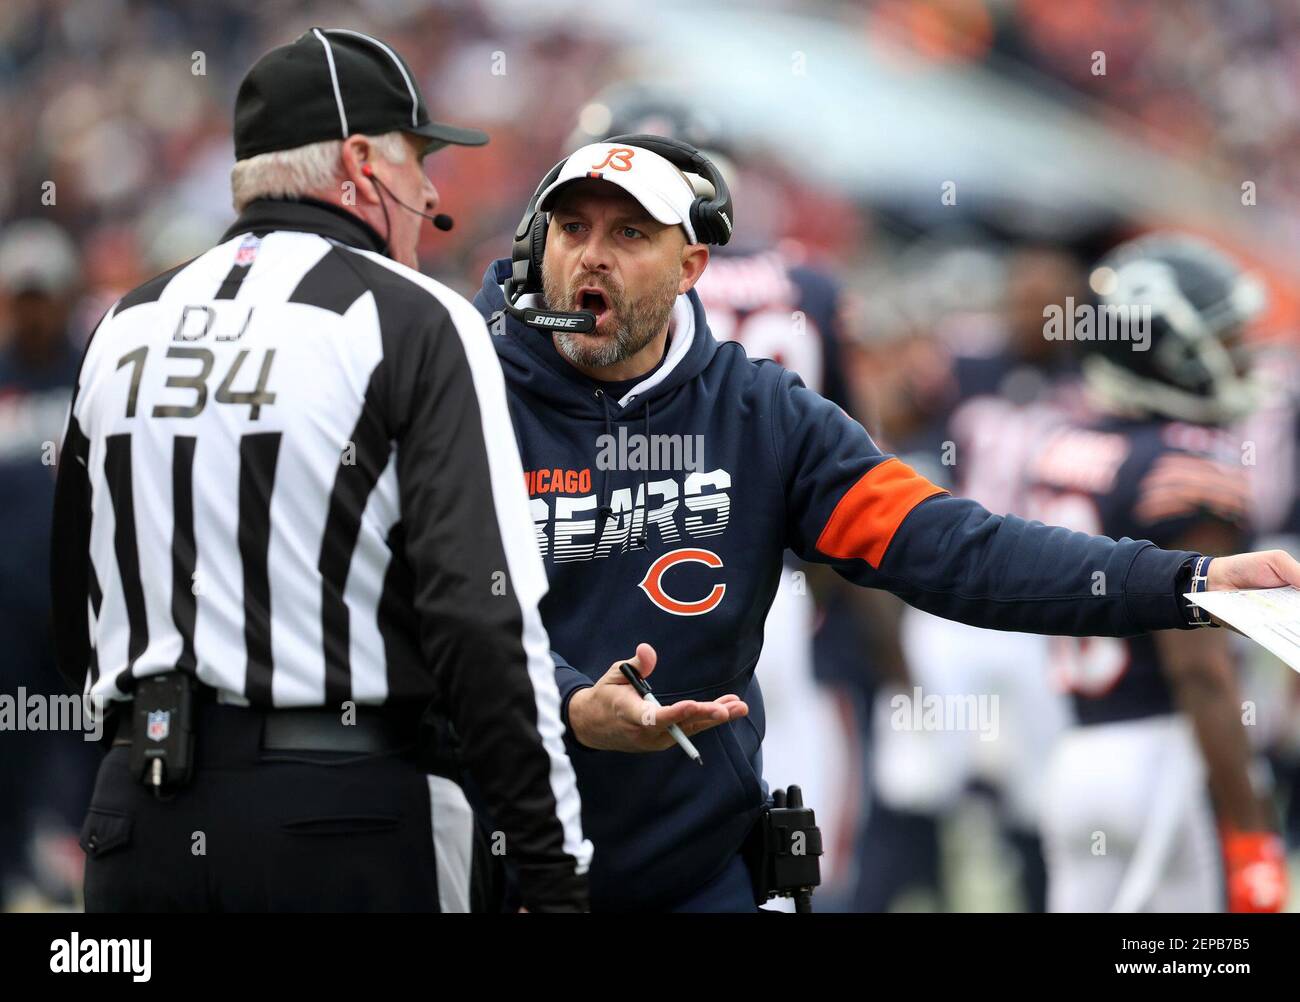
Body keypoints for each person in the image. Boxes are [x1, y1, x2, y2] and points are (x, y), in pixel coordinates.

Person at [473, 135, 1300, 912]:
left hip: (694, 875)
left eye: (628, 233)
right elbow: (422, 624)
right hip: (497, 865)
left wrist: (1186, 581)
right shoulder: (464, 391)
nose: (590, 254)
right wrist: (573, 705)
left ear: (692, 264)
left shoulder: (759, 414)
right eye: (571, 227)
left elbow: (957, 549)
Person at [51, 27, 590, 913]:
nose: (430, 190)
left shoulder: (124, 323)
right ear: (360, 162)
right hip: (339, 819)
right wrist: (552, 869)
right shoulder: (416, 320)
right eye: (418, 160)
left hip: (134, 818)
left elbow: (78, 610)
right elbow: (480, 618)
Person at [1030, 234, 1286, 911]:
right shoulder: (1188, 467)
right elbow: (1199, 669)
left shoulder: (1067, 448)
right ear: (1167, 350)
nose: (1241, 353)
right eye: (1226, 337)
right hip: (1168, 759)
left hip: (1077, 756)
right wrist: (1253, 835)